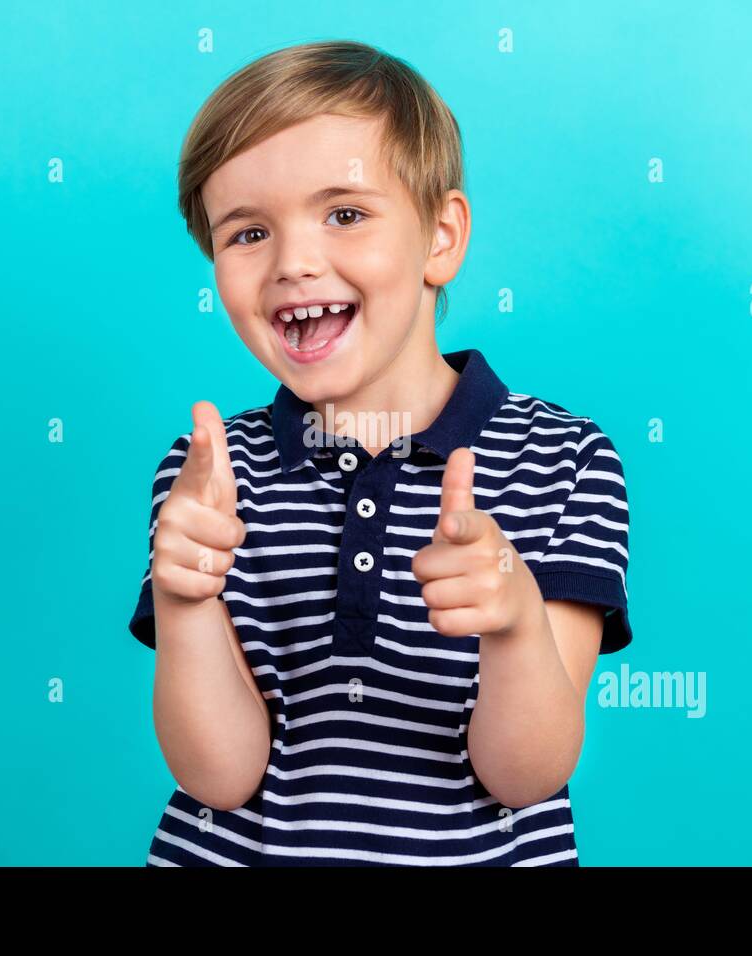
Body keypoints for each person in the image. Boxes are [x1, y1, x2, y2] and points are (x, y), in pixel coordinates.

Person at [128, 40, 631, 866]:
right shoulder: (209, 473)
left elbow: (524, 775)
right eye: (248, 232)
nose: (293, 263)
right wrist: (185, 600)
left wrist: (512, 621)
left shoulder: (567, 460)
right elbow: (217, 775)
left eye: (346, 214)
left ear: (441, 236)